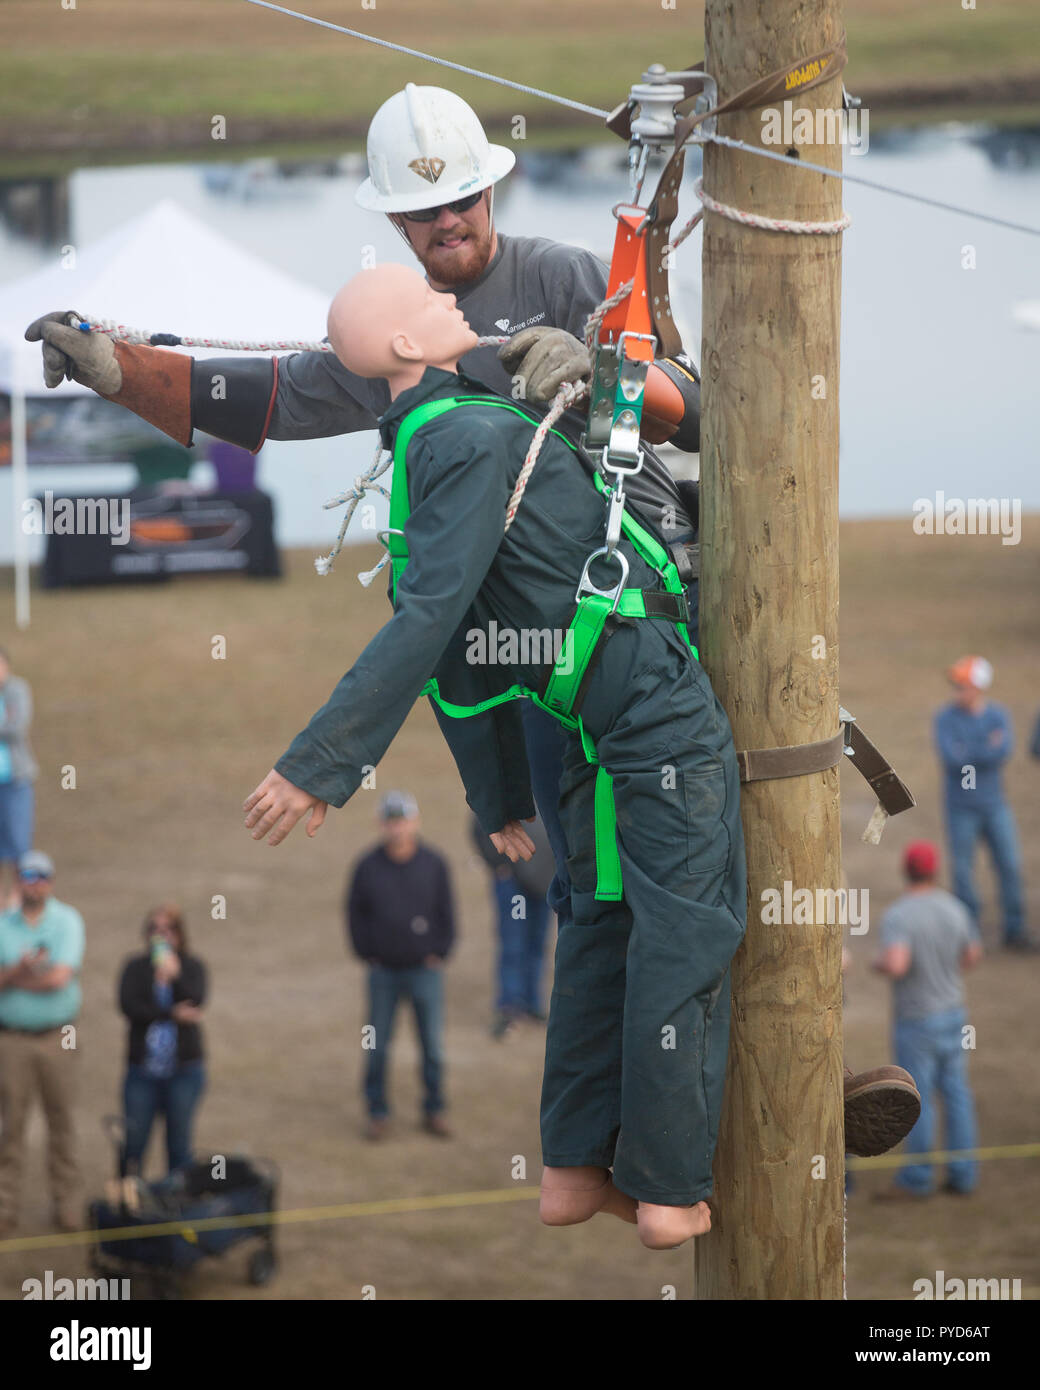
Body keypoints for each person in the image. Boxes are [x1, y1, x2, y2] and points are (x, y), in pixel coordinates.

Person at [26, 85, 917, 1150]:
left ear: (490, 191)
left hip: (641, 611)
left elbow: (702, 401)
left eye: (461, 207)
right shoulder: (405, 334)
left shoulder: (561, 277)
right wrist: (123, 369)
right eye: (423, 216)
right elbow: (265, 393)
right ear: (397, 224)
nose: (447, 228)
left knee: (732, 842)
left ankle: (788, 1083)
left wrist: (604, 378)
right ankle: (650, 1146)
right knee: (603, 896)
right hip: (538, 668)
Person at [244, 264, 747, 1249]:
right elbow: (432, 626)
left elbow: (463, 661)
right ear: (402, 349)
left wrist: (497, 793)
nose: (449, 302)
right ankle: (666, 1186)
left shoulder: (427, 453)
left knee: (600, 923)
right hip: (650, 707)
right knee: (686, 927)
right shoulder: (474, 439)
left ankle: (570, 1168)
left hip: (588, 727)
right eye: (425, 303)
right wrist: (320, 762)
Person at [873, 841, 982, 1198]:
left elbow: (897, 964)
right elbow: (972, 954)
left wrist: (879, 965)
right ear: (934, 871)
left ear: (906, 870)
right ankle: (963, 1174)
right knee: (956, 1094)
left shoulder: (900, 915)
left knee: (917, 1099)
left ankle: (918, 1178)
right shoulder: (955, 907)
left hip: (918, 1019)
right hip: (954, 1014)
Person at [346, 791, 455, 1141]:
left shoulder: (434, 863)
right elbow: (354, 915)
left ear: (415, 822)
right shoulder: (367, 866)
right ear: (382, 824)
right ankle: (377, 1112)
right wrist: (367, 952)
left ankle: (434, 1109)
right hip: (383, 973)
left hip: (425, 971)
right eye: (391, 822)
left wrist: (440, 950)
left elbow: (447, 913)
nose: (397, 829)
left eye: (403, 821)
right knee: (376, 1046)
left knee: (433, 1047)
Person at [0, 850, 84, 1235]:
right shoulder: (3, 925)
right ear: (19, 882)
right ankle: (4, 1209)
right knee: (8, 1126)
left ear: (50, 882)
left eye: (41, 876)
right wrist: (19, 970)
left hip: (58, 1037)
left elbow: (58, 980)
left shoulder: (67, 921)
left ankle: (67, 1206)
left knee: (62, 1120)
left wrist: (13, 978)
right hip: (11, 1039)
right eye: (27, 876)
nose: (34, 883)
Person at [934, 655, 1031, 950]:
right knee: (963, 871)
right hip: (960, 807)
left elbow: (1001, 752)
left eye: (962, 686)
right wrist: (982, 749)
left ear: (978, 688)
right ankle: (968, 932)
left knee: (1010, 865)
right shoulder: (944, 718)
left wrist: (970, 751)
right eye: (955, 686)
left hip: (994, 805)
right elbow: (953, 759)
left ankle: (1015, 929)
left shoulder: (998, 715)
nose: (956, 692)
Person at [117, 904, 208, 1177]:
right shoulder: (136, 968)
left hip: (184, 1072)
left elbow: (196, 1001)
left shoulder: (192, 966)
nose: (161, 935)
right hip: (142, 1072)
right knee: (133, 1143)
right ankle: (128, 1205)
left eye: (168, 929)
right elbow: (129, 1007)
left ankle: (175, 1208)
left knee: (179, 1145)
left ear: (180, 934)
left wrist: (174, 977)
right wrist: (170, 1013)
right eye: (154, 929)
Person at [470, 811, 553, 1038]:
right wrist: (498, 865)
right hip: (514, 884)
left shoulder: (551, 784)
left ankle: (532, 1004)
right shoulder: (505, 782)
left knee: (538, 943)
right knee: (513, 944)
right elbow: (480, 823)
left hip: (545, 882)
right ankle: (510, 1006)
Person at [0, 648, 38, 910]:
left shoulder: (17, 690)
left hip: (15, 778)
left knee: (18, 840)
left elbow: (17, 727)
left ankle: (18, 894)